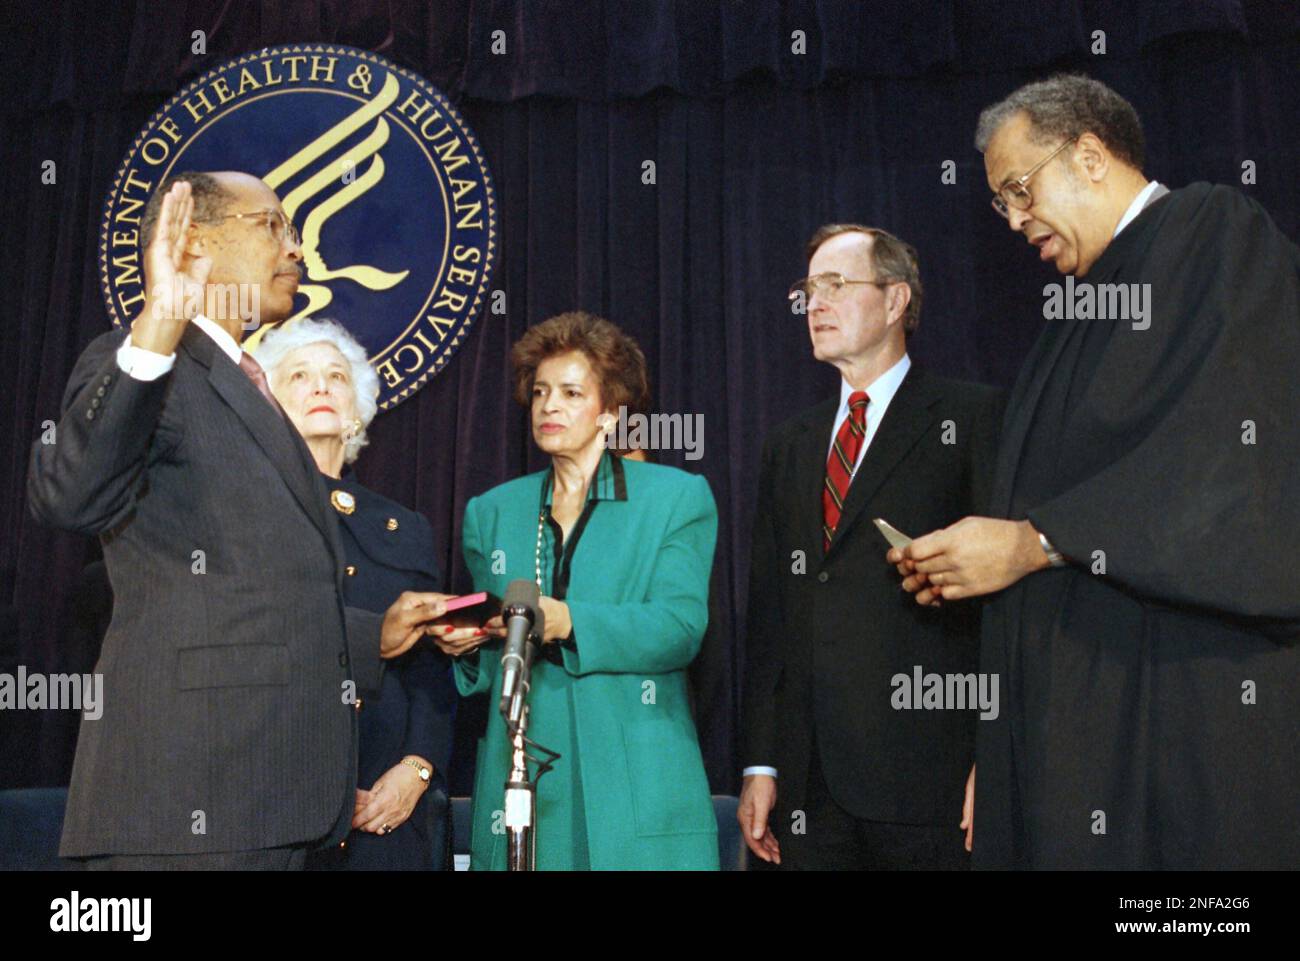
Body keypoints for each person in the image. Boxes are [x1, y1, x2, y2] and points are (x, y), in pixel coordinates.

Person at [893, 74, 1300, 869]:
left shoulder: (1212, 230)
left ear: (1088, 155)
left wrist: (1034, 541)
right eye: (999, 204)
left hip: (1187, 707)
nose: (1013, 220)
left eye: (1019, 189)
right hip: (1077, 724)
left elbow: (1235, 455)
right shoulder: (1080, 307)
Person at [27, 172, 448, 869]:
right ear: (194, 241)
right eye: (273, 226)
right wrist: (159, 321)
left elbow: (244, 594)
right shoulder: (138, 362)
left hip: (271, 803)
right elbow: (69, 495)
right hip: (185, 798)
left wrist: (380, 632)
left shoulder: (253, 386)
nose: (298, 250)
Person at [738, 224, 1003, 870]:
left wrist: (996, 756)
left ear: (895, 302)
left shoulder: (972, 418)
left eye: (836, 285)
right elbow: (771, 614)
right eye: (808, 290)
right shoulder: (789, 443)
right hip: (809, 788)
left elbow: (1008, 606)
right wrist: (761, 761)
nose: (815, 304)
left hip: (930, 783)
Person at [432, 311, 719, 870]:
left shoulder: (675, 499)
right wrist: (466, 645)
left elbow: (679, 629)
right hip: (523, 785)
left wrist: (567, 621)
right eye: (539, 392)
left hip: (636, 783)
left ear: (611, 410)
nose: (548, 406)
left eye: (570, 392)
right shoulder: (491, 511)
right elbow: (493, 671)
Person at [255, 318, 456, 871]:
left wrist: (416, 771)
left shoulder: (404, 525)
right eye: (299, 375)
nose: (321, 386)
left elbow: (430, 672)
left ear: (358, 409)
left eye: (336, 377)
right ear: (265, 402)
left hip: (386, 810)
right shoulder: (243, 512)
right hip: (270, 802)